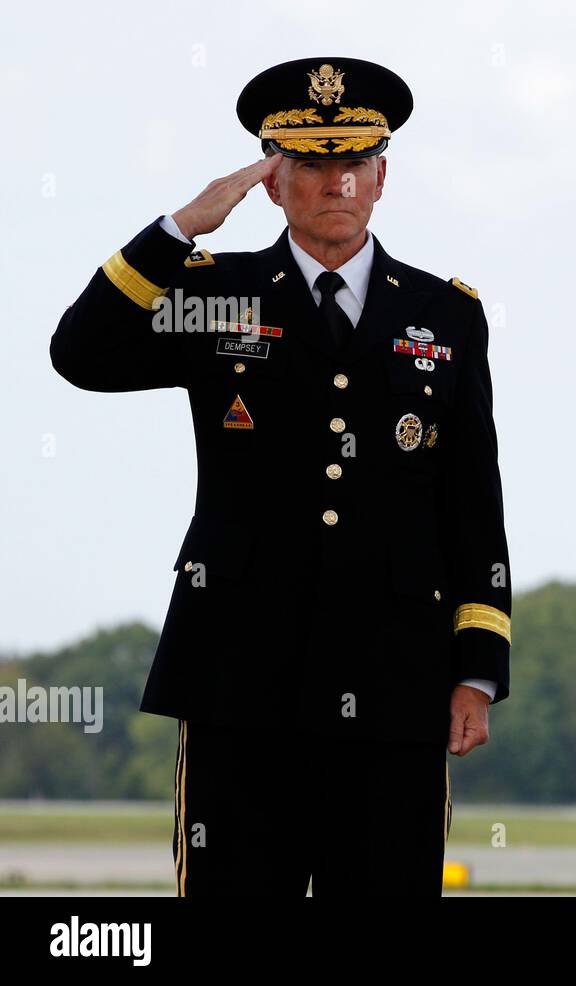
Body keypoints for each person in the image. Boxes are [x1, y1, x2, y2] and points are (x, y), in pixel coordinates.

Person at [49, 57, 512, 896]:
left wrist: (476, 671)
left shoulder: (446, 314)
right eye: (309, 165)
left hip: (394, 678)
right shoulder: (216, 295)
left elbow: (472, 499)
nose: (333, 183)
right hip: (238, 676)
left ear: (381, 177)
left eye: (352, 164)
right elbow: (79, 354)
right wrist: (181, 226)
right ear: (272, 180)